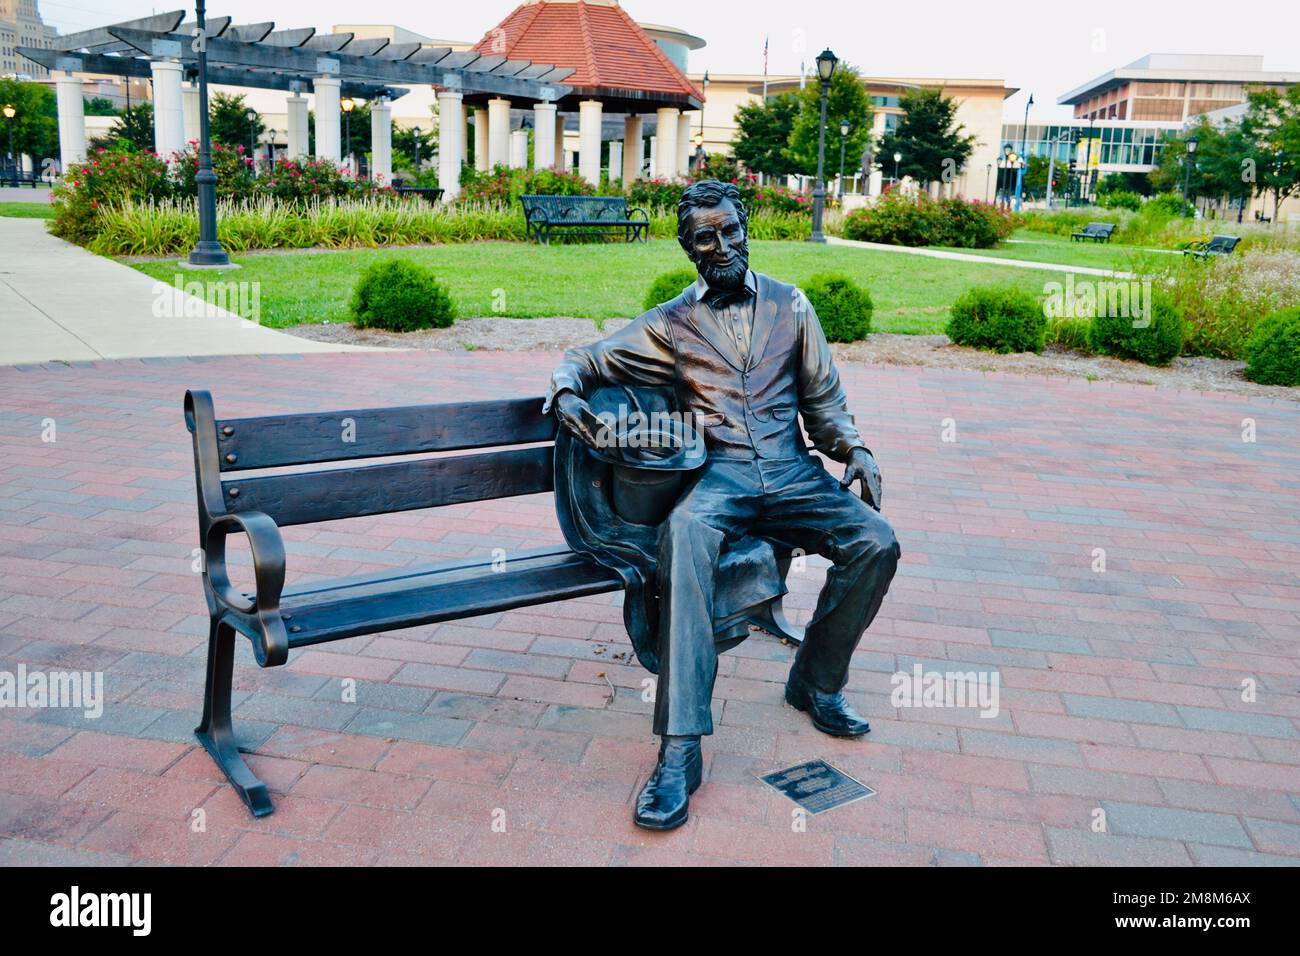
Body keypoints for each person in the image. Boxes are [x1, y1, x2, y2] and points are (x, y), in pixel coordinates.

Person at [544, 179, 900, 830]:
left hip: (793, 474)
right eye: (704, 237)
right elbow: (584, 359)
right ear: (688, 248)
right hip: (725, 476)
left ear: (746, 229)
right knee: (683, 539)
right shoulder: (670, 323)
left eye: (730, 230)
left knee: (875, 542)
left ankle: (816, 682)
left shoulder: (792, 307)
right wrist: (568, 400)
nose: (721, 245)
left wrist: (856, 451)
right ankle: (680, 749)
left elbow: (825, 404)